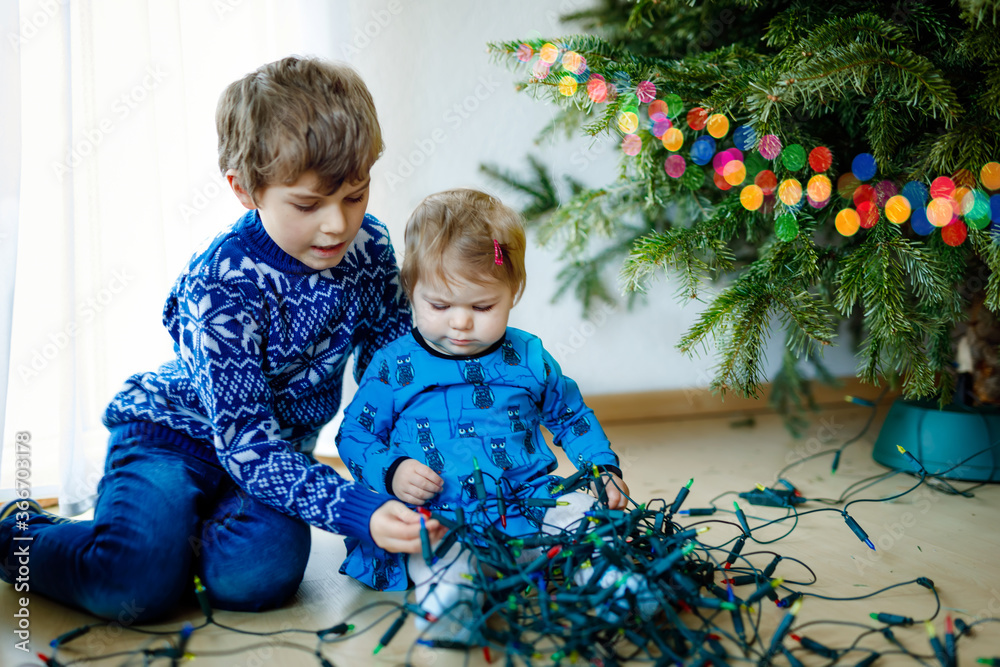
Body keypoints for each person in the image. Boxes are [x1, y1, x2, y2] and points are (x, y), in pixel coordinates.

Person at [0, 56, 443, 622]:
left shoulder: (370, 250)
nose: (337, 224)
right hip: (173, 439)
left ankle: (172, 542)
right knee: (130, 584)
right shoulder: (222, 283)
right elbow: (246, 445)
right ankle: (21, 530)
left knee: (261, 574)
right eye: (308, 205)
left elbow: (391, 370)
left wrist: (411, 455)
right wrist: (362, 510)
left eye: (355, 195)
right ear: (244, 189)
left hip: (269, 459)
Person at [336, 188, 644, 641]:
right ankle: (453, 603)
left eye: (482, 307)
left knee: (582, 513)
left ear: (513, 292)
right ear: (411, 289)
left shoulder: (528, 357)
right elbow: (354, 437)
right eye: (439, 305)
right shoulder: (393, 365)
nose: (460, 322)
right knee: (440, 549)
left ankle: (611, 582)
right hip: (442, 512)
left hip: (527, 502)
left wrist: (600, 468)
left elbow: (571, 415)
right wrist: (393, 470)